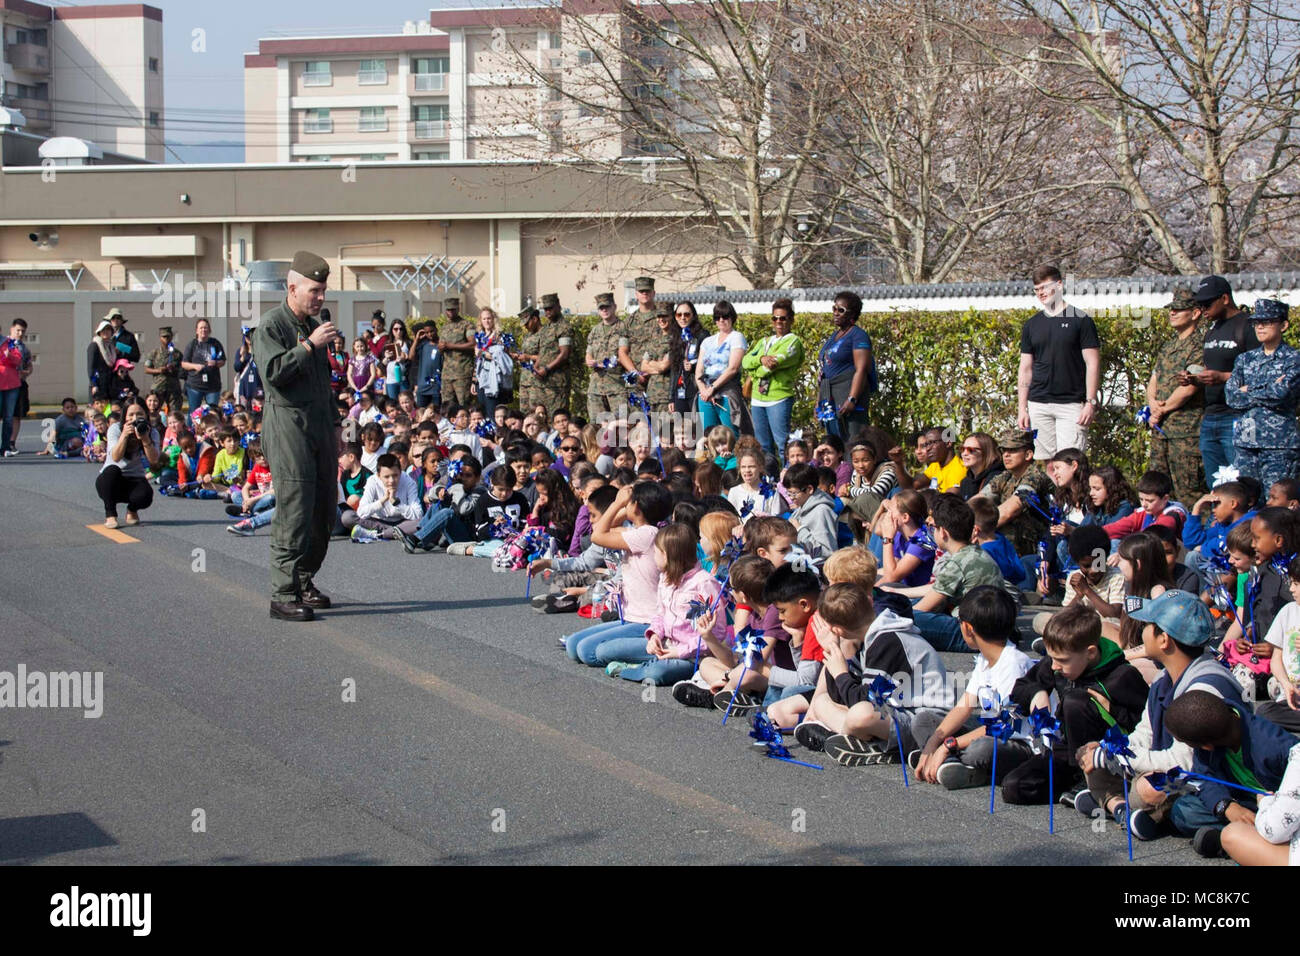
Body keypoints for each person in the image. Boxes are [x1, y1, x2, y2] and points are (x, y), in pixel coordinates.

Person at [251, 250, 338, 622]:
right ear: (292, 288)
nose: (320, 298)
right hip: (288, 426)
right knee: (296, 507)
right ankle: (283, 592)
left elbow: (324, 387)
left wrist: (336, 428)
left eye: (323, 291)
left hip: (319, 425)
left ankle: (304, 579)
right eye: (314, 291)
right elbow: (273, 373)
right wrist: (309, 346)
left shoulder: (312, 327)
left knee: (323, 508)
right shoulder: (272, 326)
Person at [1005, 604, 1149, 806]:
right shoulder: (1058, 664)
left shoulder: (1122, 676)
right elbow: (1020, 688)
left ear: (1090, 653)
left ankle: (1094, 785)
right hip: (1067, 751)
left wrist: (1112, 710)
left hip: (1106, 755)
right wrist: (1036, 693)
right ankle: (1077, 786)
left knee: (1075, 701)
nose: (1054, 666)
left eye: (1062, 660)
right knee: (1014, 787)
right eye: (1051, 658)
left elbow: (1147, 725)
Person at [913, 586, 1036, 789]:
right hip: (989, 730)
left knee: (981, 749)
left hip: (1018, 742)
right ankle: (947, 763)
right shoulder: (984, 659)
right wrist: (933, 743)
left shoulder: (1013, 664)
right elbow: (964, 706)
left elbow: (1002, 726)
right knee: (923, 720)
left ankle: (956, 763)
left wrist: (947, 746)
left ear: (968, 628)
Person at [1164, 689, 1296, 858]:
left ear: (1206, 746)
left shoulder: (1274, 746)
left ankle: (1237, 844)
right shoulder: (1216, 728)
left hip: (1283, 807)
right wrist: (1226, 806)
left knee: (1284, 829)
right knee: (1183, 812)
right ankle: (1247, 840)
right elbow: (1204, 778)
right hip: (1247, 802)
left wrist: (1270, 812)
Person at [1178, 274, 1259, 485]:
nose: (1203, 309)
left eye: (1207, 303)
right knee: (1216, 484)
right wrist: (1195, 379)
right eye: (1200, 304)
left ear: (1224, 298)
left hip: (1239, 416)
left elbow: (1261, 373)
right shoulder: (1212, 330)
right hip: (1211, 415)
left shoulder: (1248, 326)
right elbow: (1212, 368)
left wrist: (1222, 377)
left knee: (1244, 483)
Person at [1016, 264, 1102, 457]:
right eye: (1037, 289)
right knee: (1046, 462)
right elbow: (1025, 368)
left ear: (1060, 285)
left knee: (1071, 462)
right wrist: (1023, 408)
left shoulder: (1081, 320)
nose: (1041, 293)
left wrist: (1090, 402)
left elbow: (1093, 363)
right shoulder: (1031, 325)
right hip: (1038, 403)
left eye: (1045, 287)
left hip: (1071, 404)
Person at [1226, 298, 1300, 489]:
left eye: (1266, 322)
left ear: (1283, 325)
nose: (1259, 327)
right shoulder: (1244, 359)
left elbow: (1282, 393)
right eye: (1256, 323)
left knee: (1278, 506)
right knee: (1246, 503)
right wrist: (1266, 388)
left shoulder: (1293, 359)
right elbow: (1232, 397)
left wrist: (1248, 389)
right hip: (1246, 443)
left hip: (1279, 445)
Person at [1145, 287, 1207, 504]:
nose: (1173, 313)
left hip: (1186, 434)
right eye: (1172, 309)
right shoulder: (1168, 346)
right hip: (1161, 431)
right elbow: (1154, 379)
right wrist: (1152, 404)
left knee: (1189, 494)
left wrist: (1161, 409)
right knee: (1157, 493)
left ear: (1195, 313)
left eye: (1179, 309)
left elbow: (1189, 388)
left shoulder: (1200, 346)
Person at [742, 299, 804, 464]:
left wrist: (756, 371)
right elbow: (745, 361)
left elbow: (774, 364)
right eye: (775, 318)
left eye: (783, 318)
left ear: (791, 319)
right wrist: (761, 358)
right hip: (758, 398)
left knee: (783, 444)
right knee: (763, 446)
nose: (778, 322)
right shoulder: (764, 341)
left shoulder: (793, 342)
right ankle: (770, 481)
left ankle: (790, 479)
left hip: (779, 398)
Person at [980, 429, 1054, 559]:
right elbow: (979, 500)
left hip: (1034, 546)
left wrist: (978, 528)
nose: (1006, 455)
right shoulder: (1007, 476)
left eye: (1012, 450)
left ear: (1028, 455)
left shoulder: (1035, 476)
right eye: (1004, 451)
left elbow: (1009, 510)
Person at [815, 291, 875, 441]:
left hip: (848, 398)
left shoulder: (858, 335)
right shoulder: (834, 336)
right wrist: (819, 402)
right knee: (834, 446)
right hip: (830, 398)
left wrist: (852, 399)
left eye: (840, 310)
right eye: (834, 308)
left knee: (853, 442)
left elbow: (861, 369)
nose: (835, 313)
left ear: (852, 314)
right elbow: (825, 373)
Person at [95, 402, 160, 528]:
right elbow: (115, 457)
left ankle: (132, 510)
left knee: (145, 495)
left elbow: (154, 460)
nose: (135, 418)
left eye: (140, 414)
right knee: (112, 470)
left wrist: (145, 439)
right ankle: (110, 514)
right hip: (111, 479)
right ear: (124, 416)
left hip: (134, 478)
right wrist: (124, 435)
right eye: (131, 415)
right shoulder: (115, 428)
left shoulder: (152, 432)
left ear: (146, 415)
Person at [695, 301, 751, 437]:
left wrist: (712, 388)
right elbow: (699, 370)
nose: (721, 320)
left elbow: (733, 368)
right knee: (709, 436)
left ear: (732, 318)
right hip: (705, 394)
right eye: (717, 317)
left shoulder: (736, 337)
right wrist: (704, 390)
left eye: (725, 317)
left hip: (726, 392)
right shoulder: (707, 341)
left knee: (730, 435)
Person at [585, 291, 625, 423]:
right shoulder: (595, 331)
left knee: (621, 426)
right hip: (596, 387)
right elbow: (589, 352)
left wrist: (604, 364)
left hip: (616, 386)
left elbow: (625, 355)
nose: (604, 310)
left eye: (607, 307)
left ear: (614, 307)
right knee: (597, 426)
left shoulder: (623, 328)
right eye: (601, 308)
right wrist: (589, 360)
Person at [669, 300, 708, 426]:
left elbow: (708, 362)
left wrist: (695, 366)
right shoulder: (675, 336)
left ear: (693, 316)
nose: (682, 318)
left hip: (695, 388)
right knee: (682, 429)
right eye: (679, 315)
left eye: (686, 314)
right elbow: (674, 369)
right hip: (680, 390)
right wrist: (671, 397)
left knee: (698, 428)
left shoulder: (702, 336)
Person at [473, 307, 513, 418]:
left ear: (493, 319)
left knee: (493, 413)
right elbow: (477, 361)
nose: (487, 321)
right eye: (484, 319)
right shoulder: (480, 337)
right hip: (482, 380)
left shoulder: (500, 337)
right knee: (483, 414)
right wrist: (474, 381)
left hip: (495, 381)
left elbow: (504, 358)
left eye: (489, 318)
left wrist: (485, 354)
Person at [180, 318, 226, 412]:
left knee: (213, 412)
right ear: (197, 330)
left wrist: (216, 363)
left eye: (205, 328)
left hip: (213, 386)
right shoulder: (192, 344)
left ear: (209, 330)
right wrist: (195, 366)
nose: (203, 330)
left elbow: (223, 361)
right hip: (195, 385)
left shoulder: (215, 343)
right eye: (201, 328)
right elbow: (184, 364)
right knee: (194, 413)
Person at [436, 297, 475, 407]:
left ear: (458, 309)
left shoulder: (467, 325)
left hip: (462, 373)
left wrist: (450, 345)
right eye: (448, 310)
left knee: (464, 405)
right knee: (447, 406)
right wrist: (440, 347)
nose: (450, 312)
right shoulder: (444, 327)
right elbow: (441, 348)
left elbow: (473, 344)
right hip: (447, 374)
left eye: (453, 309)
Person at [4, 318, 32, 454]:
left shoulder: (24, 348)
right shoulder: (4, 344)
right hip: (3, 383)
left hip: (19, 385)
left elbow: (29, 366)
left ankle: (11, 442)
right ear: (11, 329)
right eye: (18, 330)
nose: (20, 333)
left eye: (23, 331)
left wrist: (26, 372)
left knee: (16, 415)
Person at [143, 326, 184, 414]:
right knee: (154, 412)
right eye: (164, 337)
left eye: (168, 336)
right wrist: (159, 370)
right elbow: (146, 369)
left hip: (173, 388)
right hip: (158, 387)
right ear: (160, 338)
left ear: (171, 337)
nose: (166, 339)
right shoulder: (154, 353)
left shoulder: (177, 354)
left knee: (175, 413)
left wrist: (174, 369)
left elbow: (183, 371)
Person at [954, 432, 1003, 499]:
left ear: (987, 452)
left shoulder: (997, 477)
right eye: (962, 449)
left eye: (970, 450)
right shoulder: (965, 482)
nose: (964, 454)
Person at [0, 326, 24, 458]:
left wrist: (9, 355)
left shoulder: (8, 342)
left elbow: (18, 359)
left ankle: (5, 447)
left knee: (8, 417)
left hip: (11, 384)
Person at [410, 321, 443, 409]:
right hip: (423, 388)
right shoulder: (423, 345)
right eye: (427, 332)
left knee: (436, 413)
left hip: (436, 387)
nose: (429, 334)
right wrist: (416, 339)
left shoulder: (441, 345)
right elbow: (411, 356)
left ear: (436, 330)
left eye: (431, 331)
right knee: (421, 413)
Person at [87, 319, 115, 402]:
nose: (106, 332)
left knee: (108, 412)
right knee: (97, 412)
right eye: (104, 329)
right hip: (98, 385)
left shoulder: (111, 346)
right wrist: (94, 384)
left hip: (109, 385)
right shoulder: (94, 345)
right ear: (99, 332)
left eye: (108, 329)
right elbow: (91, 367)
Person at [234, 328, 263, 409]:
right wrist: (242, 357)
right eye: (247, 337)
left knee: (257, 409)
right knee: (244, 409)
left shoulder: (260, 351)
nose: (249, 339)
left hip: (257, 385)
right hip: (245, 386)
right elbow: (237, 368)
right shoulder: (240, 351)